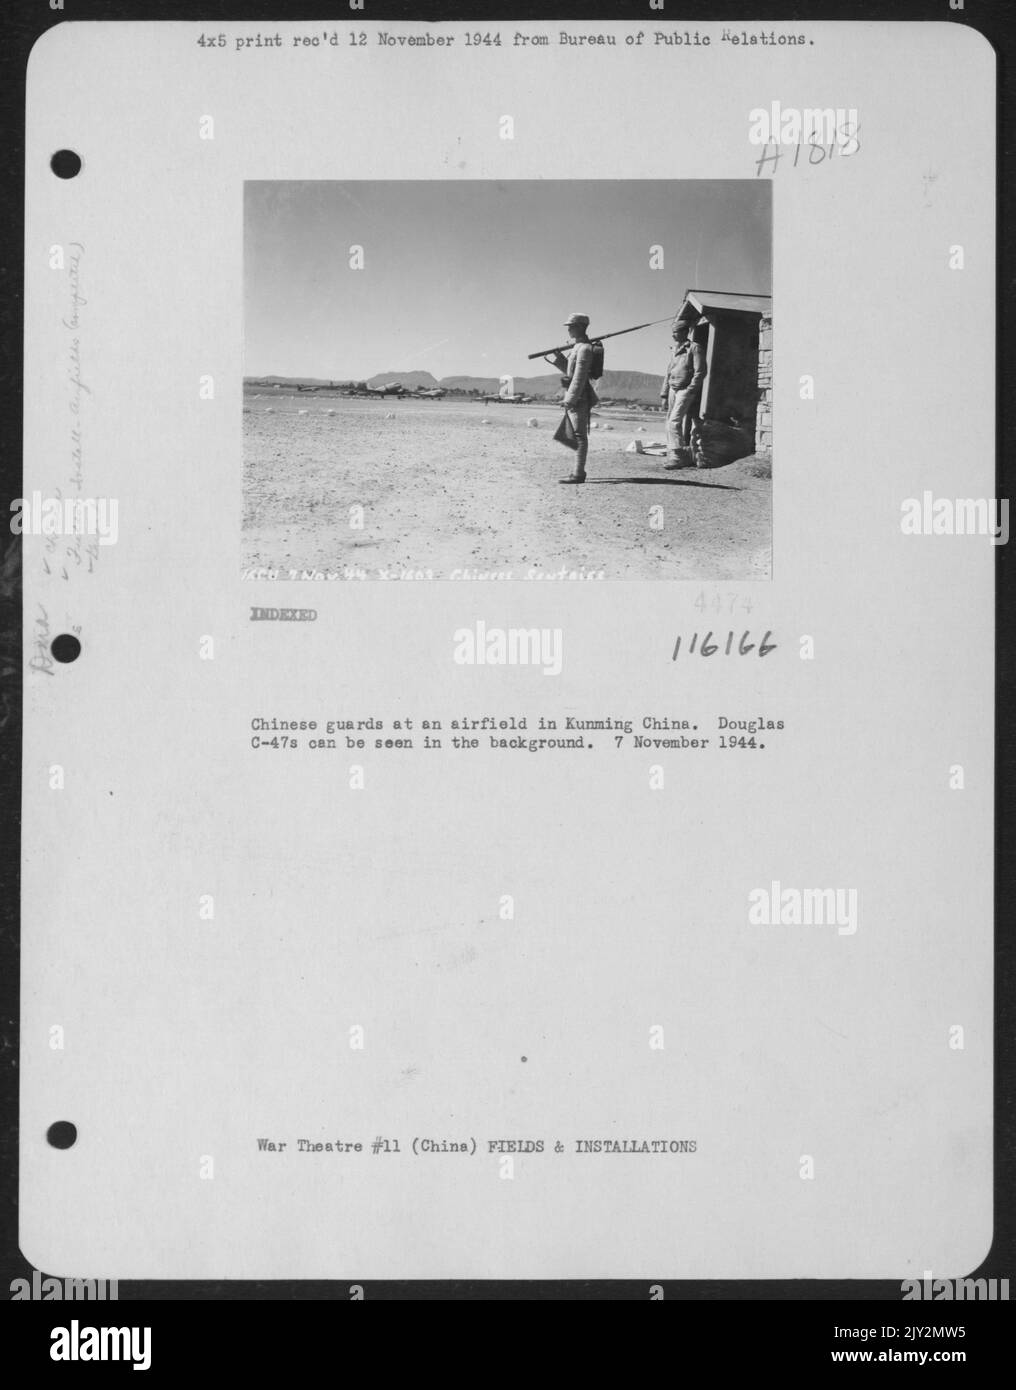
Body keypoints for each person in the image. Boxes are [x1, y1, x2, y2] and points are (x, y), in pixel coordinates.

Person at [547, 314, 599, 484]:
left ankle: (578, 474)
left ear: (581, 327)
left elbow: (579, 377)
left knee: (579, 435)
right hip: (576, 395)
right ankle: (578, 471)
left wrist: (570, 399)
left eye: (572, 326)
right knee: (576, 435)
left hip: (580, 397)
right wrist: (560, 359)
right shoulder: (577, 347)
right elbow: (571, 373)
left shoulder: (584, 348)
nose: (569, 329)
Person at [660, 319, 706, 469]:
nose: (673, 335)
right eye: (672, 332)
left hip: (685, 389)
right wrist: (664, 394)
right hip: (673, 388)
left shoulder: (694, 348)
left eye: (676, 332)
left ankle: (678, 456)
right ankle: (674, 454)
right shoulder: (675, 349)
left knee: (674, 420)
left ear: (685, 332)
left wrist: (691, 388)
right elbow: (669, 372)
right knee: (669, 421)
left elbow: (700, 371)